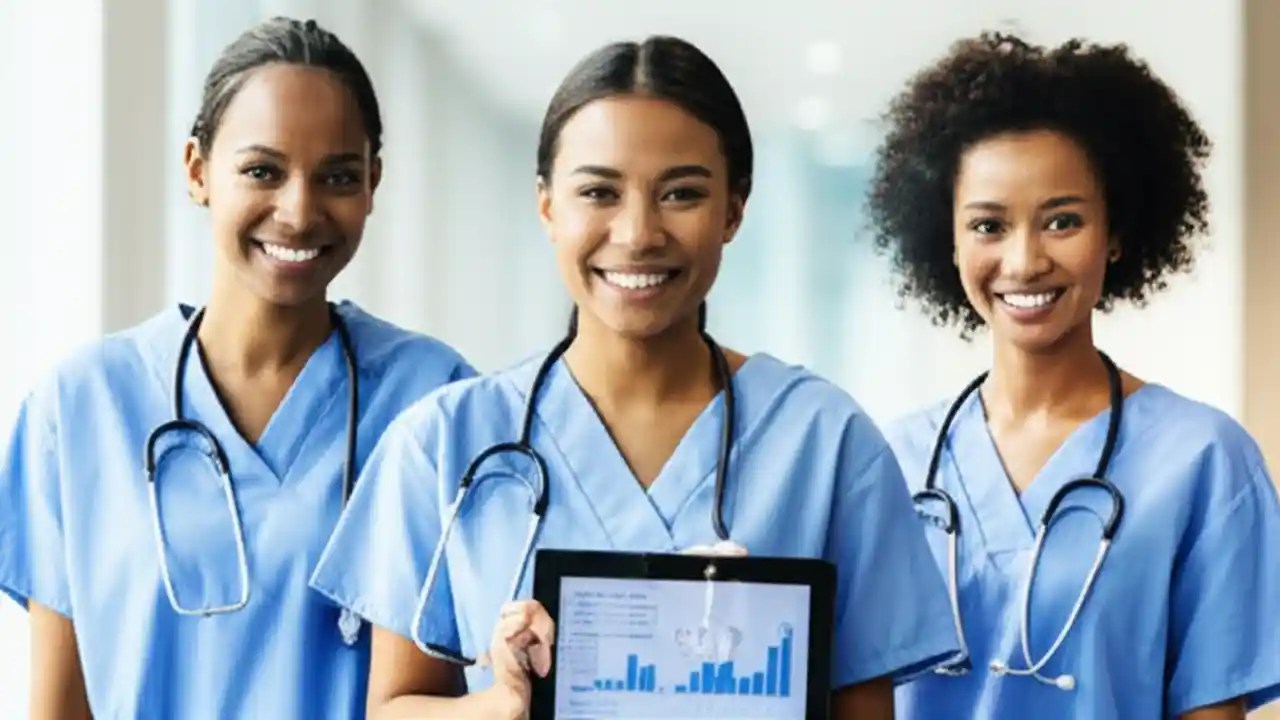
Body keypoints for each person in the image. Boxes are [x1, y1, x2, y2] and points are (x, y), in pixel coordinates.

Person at [308, 34, 959, 720]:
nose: (638, 232)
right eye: (598, 191)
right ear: (547, 205)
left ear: (734, 209)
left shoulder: (827, 443)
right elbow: (392, 709)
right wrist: (501, 705)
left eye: (681, 193)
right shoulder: (444, 443)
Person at [0, 16, 475, 719]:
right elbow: (58, 706)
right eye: (262, 171)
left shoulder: (434, 398)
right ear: (198, 171)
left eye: (338, 176)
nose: (299, 209)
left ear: (373, 183)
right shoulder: (81, 406)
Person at [866, 31, 1280, 720]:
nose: (1025, 261)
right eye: (989, 225)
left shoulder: (1203, 462)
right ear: (949, 238)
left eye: (1062, 221)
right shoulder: (894, 464)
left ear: (1116, 232)